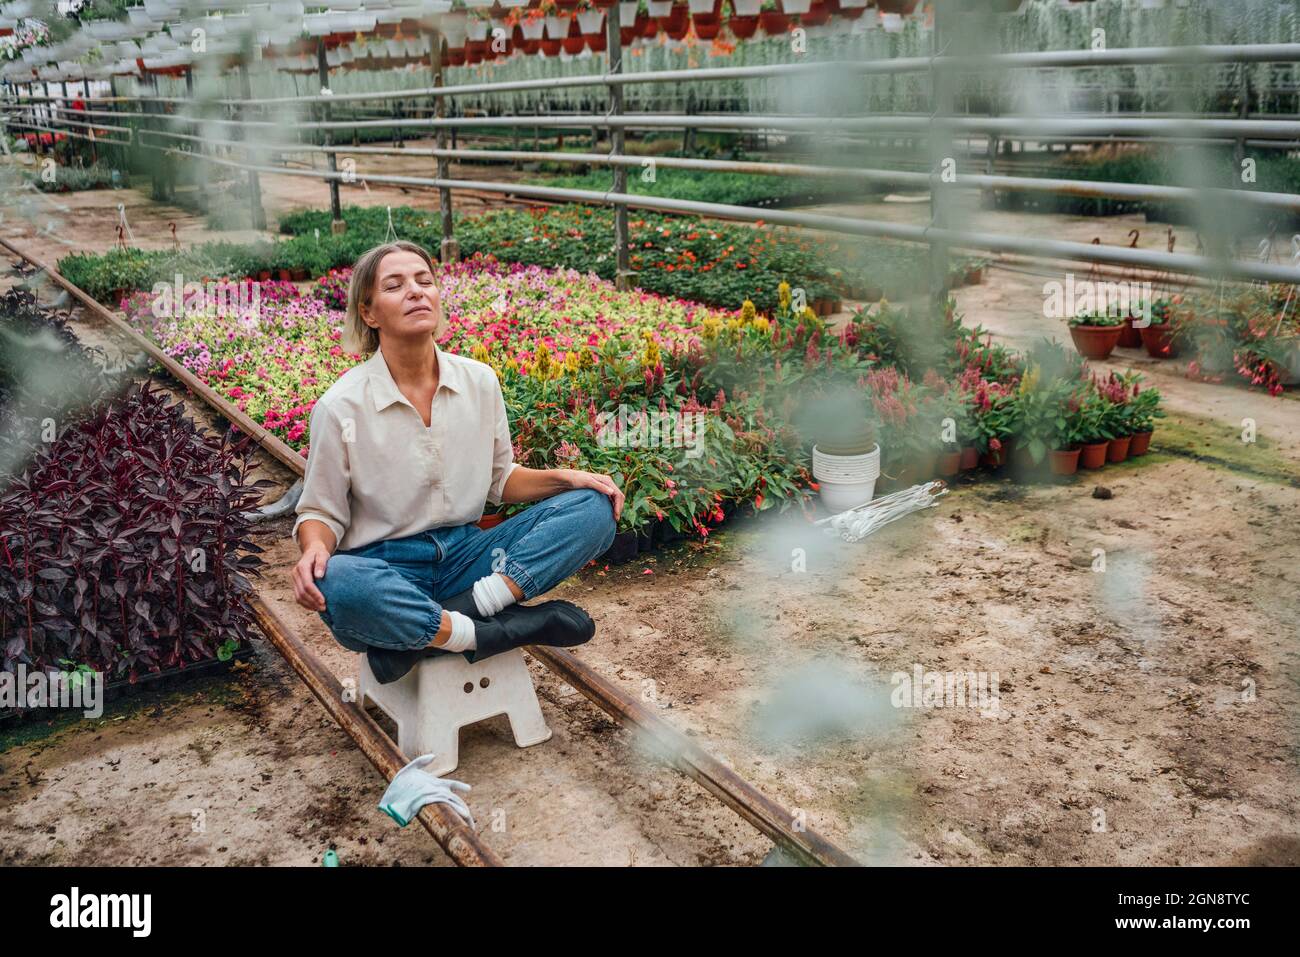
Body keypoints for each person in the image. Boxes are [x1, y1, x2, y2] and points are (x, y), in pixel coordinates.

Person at [290, 241, 621, 684]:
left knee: (592, 508)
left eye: (424, 281)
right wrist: (314, 549)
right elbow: (320, 512)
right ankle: (483, 631)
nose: (415, 291)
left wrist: (566, 478)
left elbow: (501, 481)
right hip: (388, 572)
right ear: (369, 313)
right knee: (339, 580)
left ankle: (452, 621)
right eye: (395, 285)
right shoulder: (341, 407)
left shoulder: (478, 382)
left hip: (469, 559)